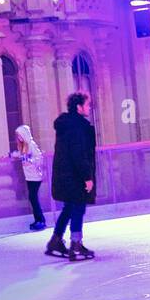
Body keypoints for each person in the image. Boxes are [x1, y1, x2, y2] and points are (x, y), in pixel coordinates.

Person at [45, 92, 96, 260]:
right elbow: (79, 153)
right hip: (75, 175)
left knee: (68, 208)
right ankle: (76, 244)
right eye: (87, 105)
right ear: (78, 107)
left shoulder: (66, 124)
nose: (89, 107)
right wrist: (87, 177)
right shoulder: (78, 126)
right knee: (78, 208)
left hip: (65, 175)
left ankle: (56, 240)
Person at [11, 124, 46, 230]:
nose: (19, 138)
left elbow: (39, 157)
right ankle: (38, 220)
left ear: (25, 134)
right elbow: (20, 155)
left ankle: (41, 221)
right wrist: (11, 155)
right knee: (32, 198)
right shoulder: (24, 146)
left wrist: (30, 160)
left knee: (33, 198)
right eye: (18, 136)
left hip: (35, 176)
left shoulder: (31, 144)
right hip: (29, 177)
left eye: (20, 135)